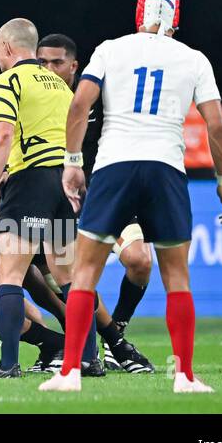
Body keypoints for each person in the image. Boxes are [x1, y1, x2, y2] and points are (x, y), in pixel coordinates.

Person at [41, 0, 222, 394]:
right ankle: (184, 376)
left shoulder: (111, 49)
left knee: (85, 273)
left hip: (115, 165)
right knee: (177, 278)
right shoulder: (194, 59)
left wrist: (73, 163)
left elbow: (80, 106)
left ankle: (71, 373)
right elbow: (217, 125)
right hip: (166, 168)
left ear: (138, 12)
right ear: (177, 18)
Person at [37, 33, 154, 373]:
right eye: (42, 62)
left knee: (139, 261)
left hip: (107, 194)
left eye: (56, 62)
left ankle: (116, 333)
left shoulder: (99, 99)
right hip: (56, 200)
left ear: (74, 66)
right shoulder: (33, 98)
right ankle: (103, 347)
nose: (48, 68)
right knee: (60, 277)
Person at [0, 17, 83, 380]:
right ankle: (89, 359)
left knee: (10, 273)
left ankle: (8, 365)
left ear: (6, 47)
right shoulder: (60, 84)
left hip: (30, 183)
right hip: (63, 184)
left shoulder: (8, 81)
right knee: (69, 276)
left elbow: (3, 132)